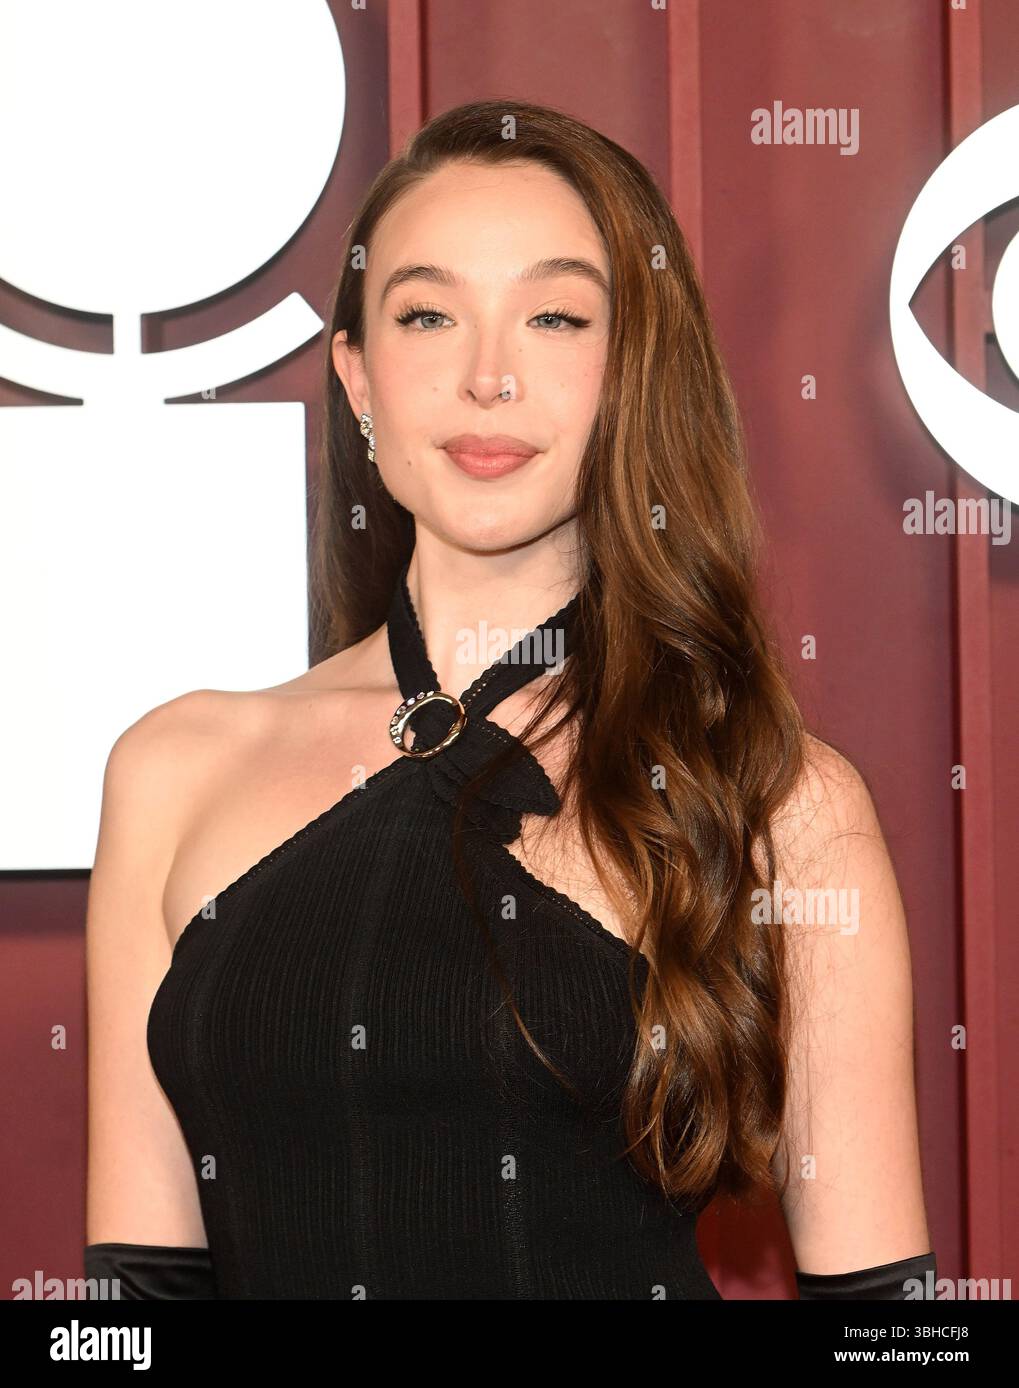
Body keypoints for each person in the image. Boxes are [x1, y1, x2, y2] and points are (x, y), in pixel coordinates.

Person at [84, 99, 935, 1300]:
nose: (487, 376)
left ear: (630, 368)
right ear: (357, 375)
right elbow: (129, 1305)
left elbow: (887, 1324)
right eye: (427, 314)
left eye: (552, 315)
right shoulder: (171, 770)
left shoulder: (774, 797)